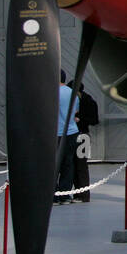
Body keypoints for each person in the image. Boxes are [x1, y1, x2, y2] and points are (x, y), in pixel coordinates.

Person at [72, 85, 99, 203]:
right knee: (76, 165)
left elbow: (94, 120)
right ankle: (78, 193)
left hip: (82, 135)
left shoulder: (88, 102)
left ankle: (83, 195)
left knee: (81, 165)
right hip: (79, 134)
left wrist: (80, 118)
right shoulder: (88, 100)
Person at [55, 70, 78, 206]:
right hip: (70, 132)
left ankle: (53, 195)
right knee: (68, 164)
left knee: (53, 166)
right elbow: (75, 111)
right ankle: (65, 195)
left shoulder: (49, 92)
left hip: (55, 134)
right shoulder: (72, 92)